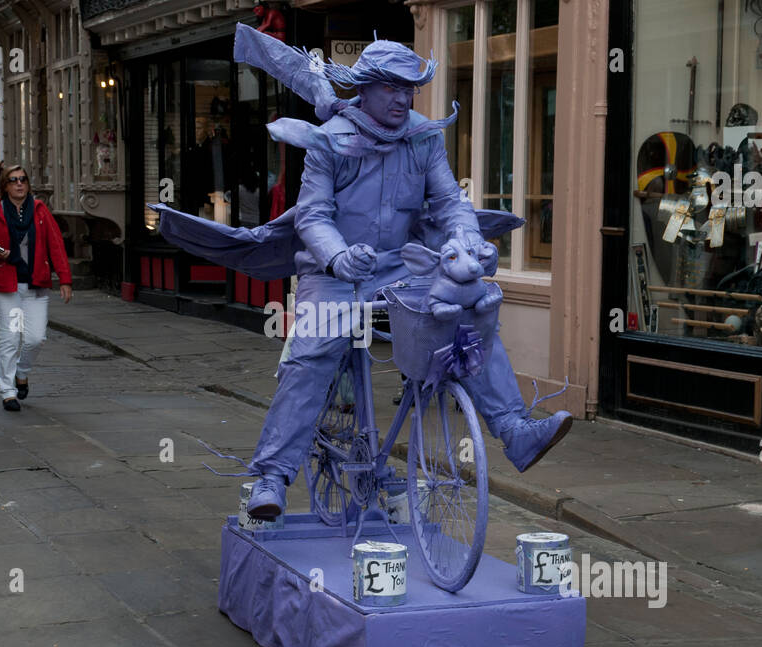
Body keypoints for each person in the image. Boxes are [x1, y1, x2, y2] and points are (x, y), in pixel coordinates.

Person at [161, 30, 573, 519]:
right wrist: (336, 257)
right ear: (366, 88)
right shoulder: (329, 140)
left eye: (410, 89)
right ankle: (272, 475)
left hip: (400, 268)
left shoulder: (423, 137)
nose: (403, 98)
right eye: (392, 88)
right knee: (312, 352)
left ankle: (515, 431)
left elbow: (449, 202)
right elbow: (313, 215)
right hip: (332, 274)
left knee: (467, 314)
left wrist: (464, 239)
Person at [0, 164, 72, 412]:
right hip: (7, 286)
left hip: (35, 285)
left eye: (23, 180)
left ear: (28, 184)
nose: (19, 184)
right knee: (11, 336)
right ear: (4, 186)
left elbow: (55, 244)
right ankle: (7, 391)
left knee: (37, 338)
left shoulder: (39, 210)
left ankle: (22, 372)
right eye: (13, 180)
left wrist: (65, 279)